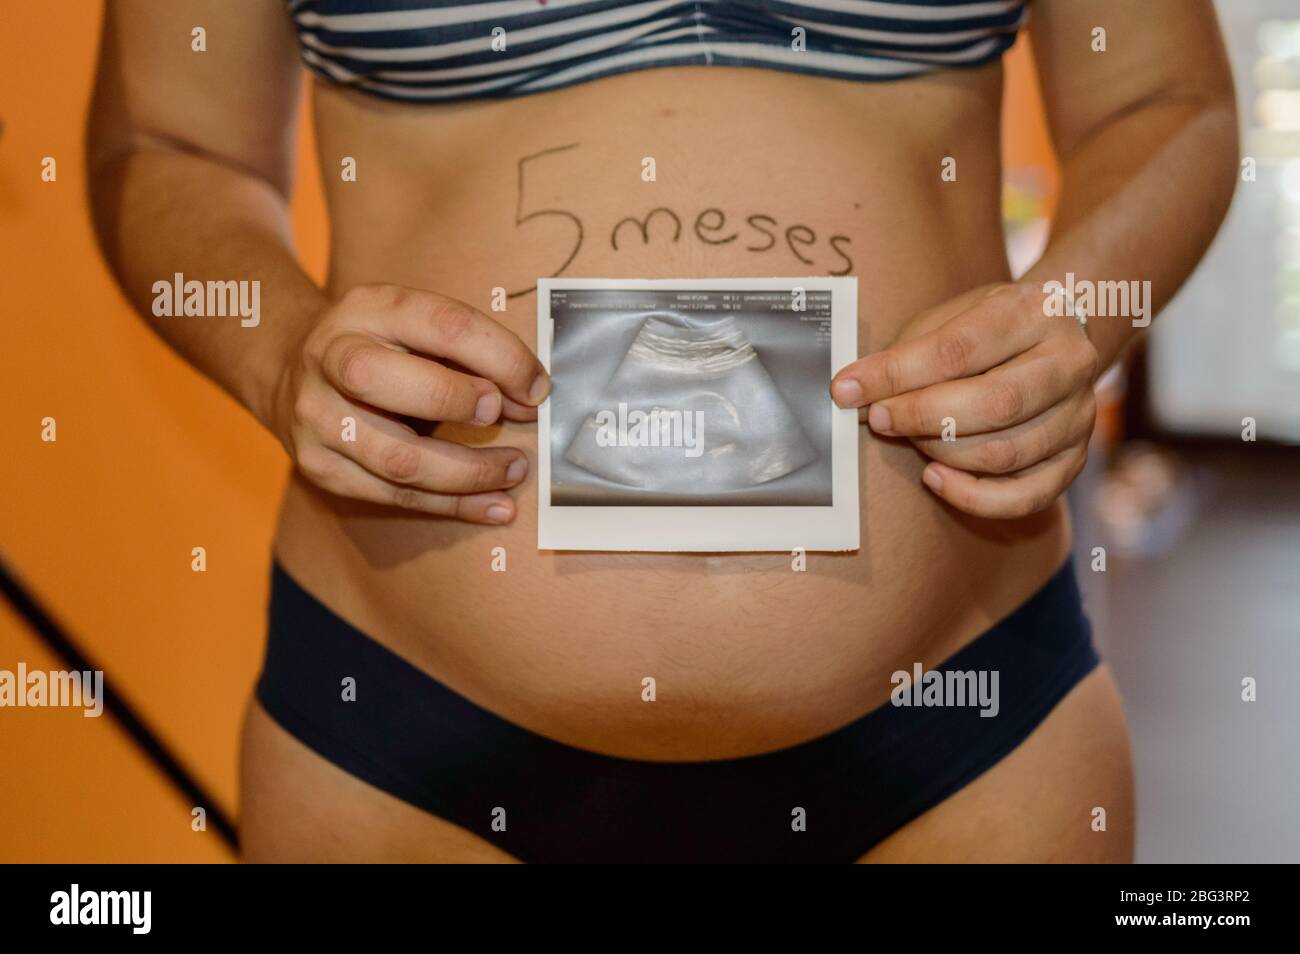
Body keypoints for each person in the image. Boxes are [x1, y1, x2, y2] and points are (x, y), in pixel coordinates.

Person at [87, 0, 1237, 862]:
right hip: (402, 718)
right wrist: (279, 343)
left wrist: (1077, 309)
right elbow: (165, 143)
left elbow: (1165, 102)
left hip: (957, 714)